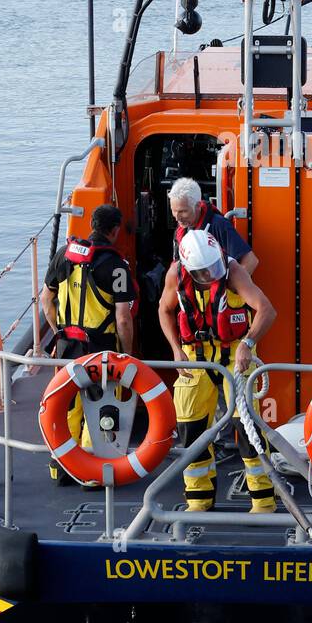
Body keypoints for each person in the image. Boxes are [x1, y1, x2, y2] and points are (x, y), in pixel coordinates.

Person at [158, 229, 276, 513]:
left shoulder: (233, 271)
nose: (212, 274)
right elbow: (164, 310)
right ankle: (198, 499)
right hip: (194, 357)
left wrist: (248, 343)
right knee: (190, 427)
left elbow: (266, 310)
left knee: (246, 427)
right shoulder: (176, 275)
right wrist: (175, 350)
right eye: (205, 270)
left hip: (235, 353)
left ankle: (263, 500)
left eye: (215, 267)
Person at [42, 206, 136, 468]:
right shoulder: (117, 266)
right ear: (115, 230)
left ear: (92, 224)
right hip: (101, 349)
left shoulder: (63, 256)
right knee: (99, 405)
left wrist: (57, 331)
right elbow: (123, 318)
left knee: (68, 405)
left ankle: (61, 467)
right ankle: (90, 470)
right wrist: (127, 354)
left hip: (66, 346)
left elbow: (46, 299)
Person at [168, 176, 258, 275]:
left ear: (198, 206)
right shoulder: (181, 230)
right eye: (174, 211)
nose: (177, 218)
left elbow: (250, 261)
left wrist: (233, 286)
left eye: (183, 211)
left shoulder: (219, 225)